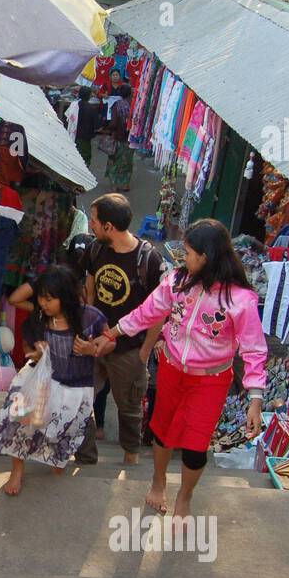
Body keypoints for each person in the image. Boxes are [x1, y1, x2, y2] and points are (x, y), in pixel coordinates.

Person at [92, 219, 267, 517]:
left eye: (188, 253)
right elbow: (148, 312)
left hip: (211, 381)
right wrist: (114, 332)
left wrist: (255, 399)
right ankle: (158, 481)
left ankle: (184, 497)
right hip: (172, 371)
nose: (183, 258)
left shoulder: (240, 300)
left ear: (205, 257)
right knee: (162, 431)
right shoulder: (176, 282)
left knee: (196, 445)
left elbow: (254, 349)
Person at [0, 265, 106, 496]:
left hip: (76, 388)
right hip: (41, 384)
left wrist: (93, 348)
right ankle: (17, 471)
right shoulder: (41, 317)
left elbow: (110, 341)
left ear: (65, 297)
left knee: (66, 430)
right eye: (41, 297)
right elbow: (28, 346)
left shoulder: (90, 316)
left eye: (49, 299)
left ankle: (55, 461)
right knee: (19, 422)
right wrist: (37, 353)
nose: (43, 303)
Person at [74, 194, 166, 466]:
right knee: (80, 399)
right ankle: (86, 455)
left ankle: (131, 458)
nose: (90, 225)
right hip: (94, 343)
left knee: (129, 408)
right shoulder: (95, 250)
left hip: (129, 350)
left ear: (109, 226)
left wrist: (144, 353)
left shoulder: (148, 259)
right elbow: (90, 289)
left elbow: (158, 312)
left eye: (94, 220)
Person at [104, 84, 133, 191]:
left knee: (114, 161)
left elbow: (113, 123)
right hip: (130, 138)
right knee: (128, 162)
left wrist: (107, 129)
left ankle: (114, 185)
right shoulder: (133, 105)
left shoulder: (117, 105)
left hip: (118, 137)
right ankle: (126, 184)